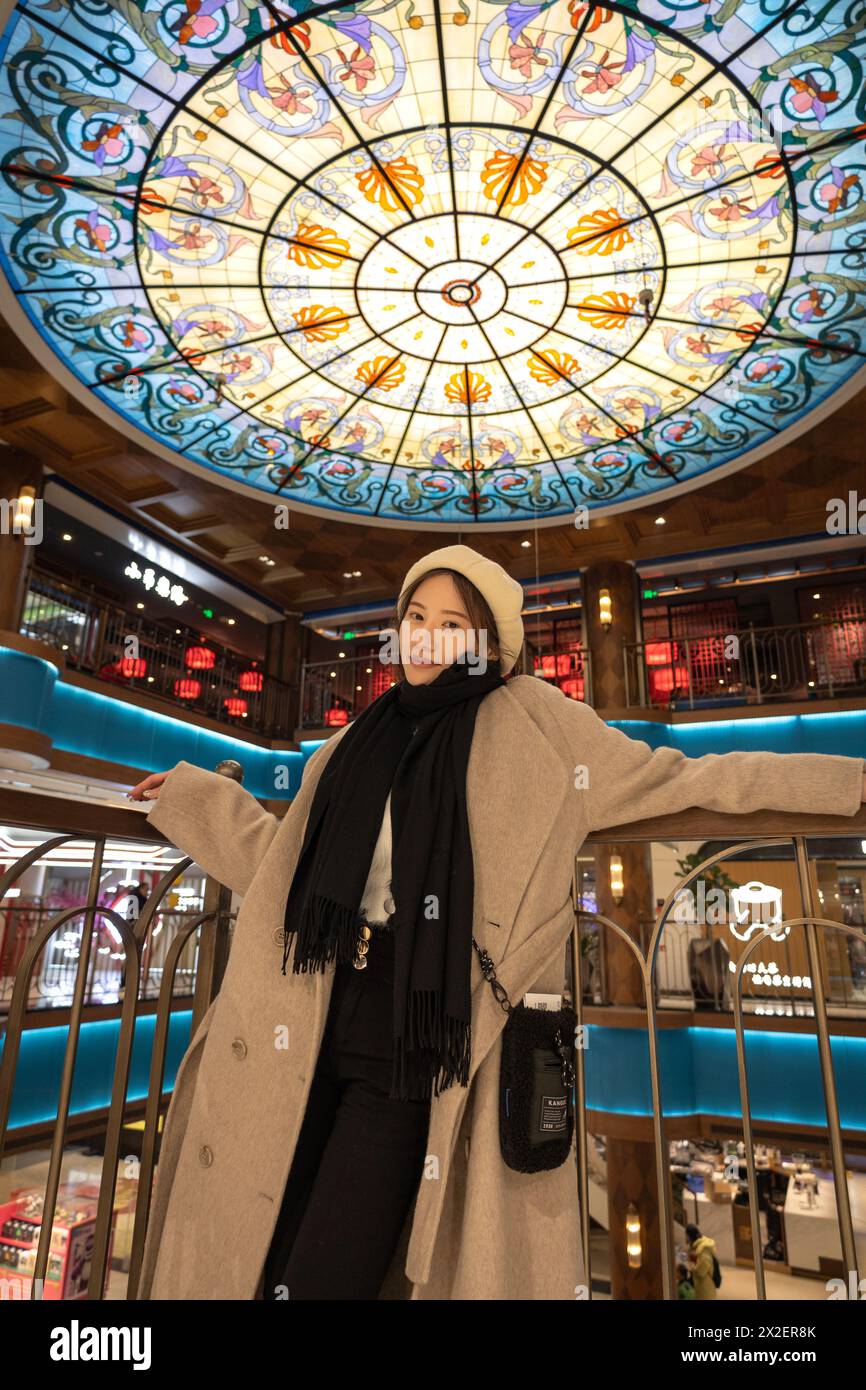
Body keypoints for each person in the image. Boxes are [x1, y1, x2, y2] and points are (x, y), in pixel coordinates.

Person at [127, 544, 866, 1301]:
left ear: (488, 644)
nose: (425, 637)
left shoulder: (538, 727)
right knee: (260, 1247)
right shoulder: (357, 740)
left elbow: (684, 779)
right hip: (307, 1016)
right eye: (416, 616)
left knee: (330, 1269)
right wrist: (192, 803)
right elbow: (286, 868)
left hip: (417, 1035)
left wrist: (848, 785)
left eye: (451, 625)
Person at [686, 1223, 719, 1299]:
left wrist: (692, 1267)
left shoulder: (703, 1248)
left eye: (687, 1235)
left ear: (690, 1235)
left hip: (705, 1290)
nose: (686, 1238)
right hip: (701, 1288)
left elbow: (702, 1270)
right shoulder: (698, 1247)